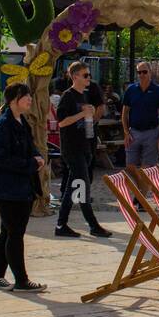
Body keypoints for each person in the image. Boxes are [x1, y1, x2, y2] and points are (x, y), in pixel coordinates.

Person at [0, 83, 47, 293]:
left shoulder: (22, 122)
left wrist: (37, 157)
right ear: (14, 100)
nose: (30, 99)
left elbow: (29, 147)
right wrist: (31, 164)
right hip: (7, 188)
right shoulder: (3, 125)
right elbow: (1, 158)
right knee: (15, 233)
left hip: (23, 186)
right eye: (26, 96)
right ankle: (21, 280)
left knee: (7, 231)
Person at [54, 62, 111, 239]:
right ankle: (93, 225)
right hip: (72, 149)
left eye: (89, 75)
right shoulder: (68, 96)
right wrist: (82, 114)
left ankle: (61, 224)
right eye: (85, 75)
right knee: (82, 186)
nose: (88, 78)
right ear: (75, 76)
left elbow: (86, 123)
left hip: (84, 146)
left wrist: (90, 115)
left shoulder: (83, 96)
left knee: (74, 187)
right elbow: (62, 122)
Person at [121, 61, 159, 168]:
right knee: (130, 167)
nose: (141, 75)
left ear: (150, 73)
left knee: (148, 169)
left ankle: (144, 185)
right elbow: (124, 113)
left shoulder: (157, 91)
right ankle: (136, 185)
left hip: (152, 133)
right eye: (139, 72)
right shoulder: (131, 90)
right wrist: (126, 132)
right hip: (133, 133)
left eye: (144, 72)